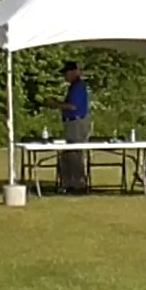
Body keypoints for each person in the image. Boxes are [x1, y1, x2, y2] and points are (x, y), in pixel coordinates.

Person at [56, 60, 91, 193]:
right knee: (68, 154)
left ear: (73, 73)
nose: (65, 76)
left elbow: (73, 106)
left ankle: (79, 184)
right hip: (71, 123)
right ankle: (69, 182)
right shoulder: (73, 87)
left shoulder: (78, 86)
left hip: (77, 123)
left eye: (66, 73)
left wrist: (57, 104)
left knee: (75, 153)